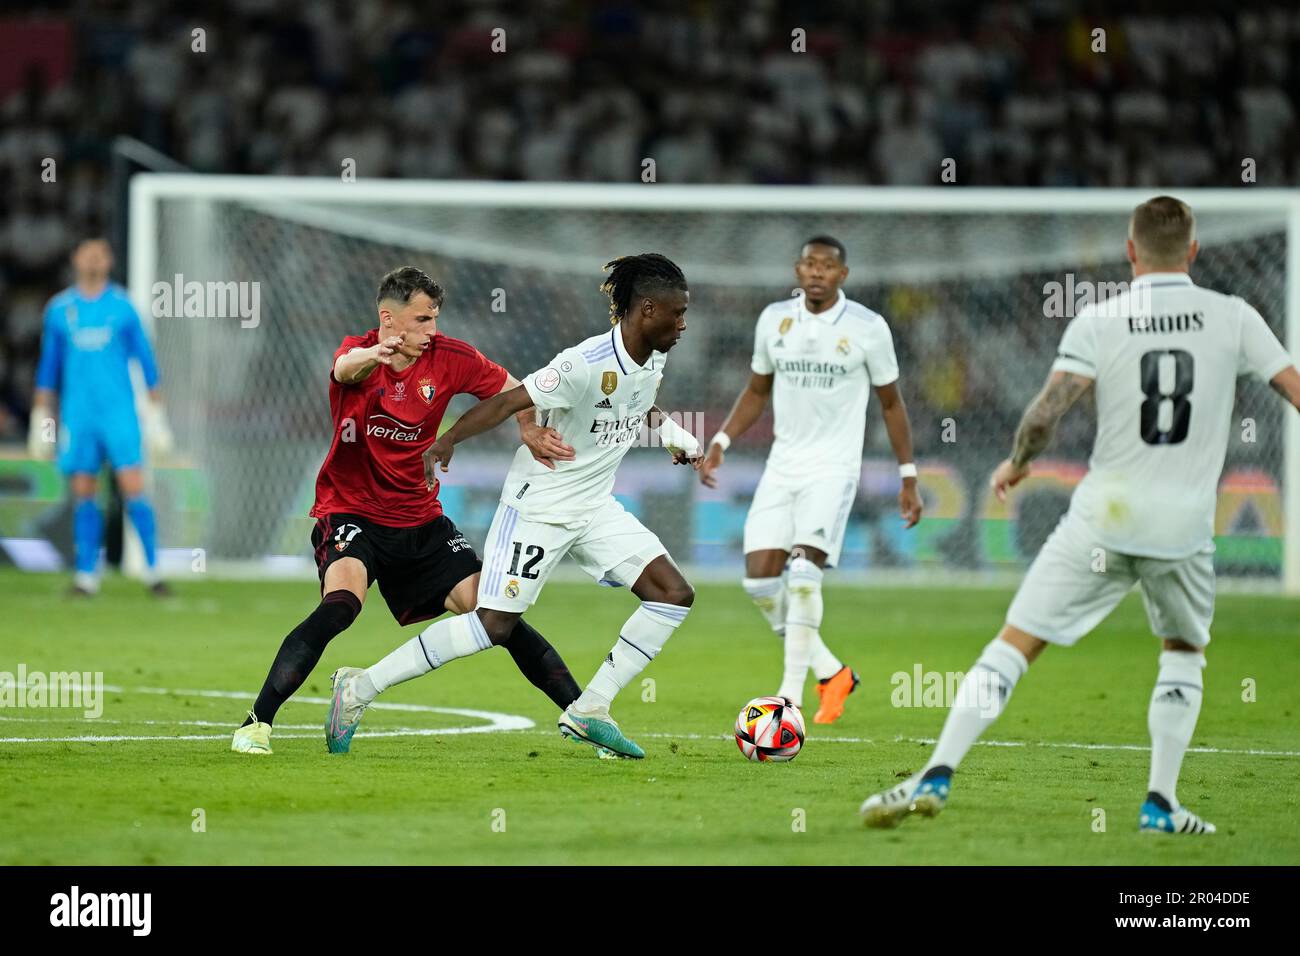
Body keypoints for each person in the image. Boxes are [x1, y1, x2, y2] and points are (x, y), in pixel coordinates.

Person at [859, 196, 1300, 835]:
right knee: (1182, 650)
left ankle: (937, 771)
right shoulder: (1233, 316)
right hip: (1182, 528)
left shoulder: (1100, 318)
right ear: (1194, 252)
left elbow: (1044, 414)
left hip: (1102, 519)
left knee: (1014, 645)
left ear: (1130, 251)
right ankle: (1159, 803)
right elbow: (1291, 387)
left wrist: (1017, 463)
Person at [329, 254, 702, 760]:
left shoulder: (653, 356)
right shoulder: (583, 364)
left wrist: (675, 434)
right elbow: (506, 402)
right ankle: (360, 687)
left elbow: (637, 403)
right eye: (676, 314)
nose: (683, 325)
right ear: (647, 310)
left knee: (673, 594)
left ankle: (590, 707)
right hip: (539, 506)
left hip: (594, 507)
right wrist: (447, 441)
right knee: (493, 625)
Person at [230, 267, 581, 755]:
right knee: (341, 607)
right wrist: (374, 355)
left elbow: (515, 386)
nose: (431, 331)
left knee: (496, 615)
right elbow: (343, 368)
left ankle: (583, 715)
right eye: (422, 319)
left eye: (435, 318)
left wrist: (526, 426)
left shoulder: (450, 358)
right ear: (389, 319)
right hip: (351, 512)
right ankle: (256, 722)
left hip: (420, 520)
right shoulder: (359, 353)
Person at [699, 236, 923, 723]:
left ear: (843, 275)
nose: (816, 272)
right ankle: (832, 671)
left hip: (834, 468)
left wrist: (908, 475)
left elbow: (891, 403)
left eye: (827, 266)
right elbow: (757, 391)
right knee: (760, 585)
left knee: (801, 576)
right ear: (797, 271)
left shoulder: (868, 328)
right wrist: (721, 441)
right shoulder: (773, 319)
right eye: (808, 264)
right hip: (782, 466)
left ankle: (788, 698)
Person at [30, 238, 173, 596]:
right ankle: (86, 577)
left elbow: (145, 358)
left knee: (133, 487)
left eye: (101, 253)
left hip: (119, 414)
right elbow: (50, 365)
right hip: (79, 416)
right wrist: (40, 415)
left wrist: (156, 416)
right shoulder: (60, 310)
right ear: (76, 258)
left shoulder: (123, 307)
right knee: (83, 492)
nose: (94, 258)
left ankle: (153, 572)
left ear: (109, 260)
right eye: (87, 252)